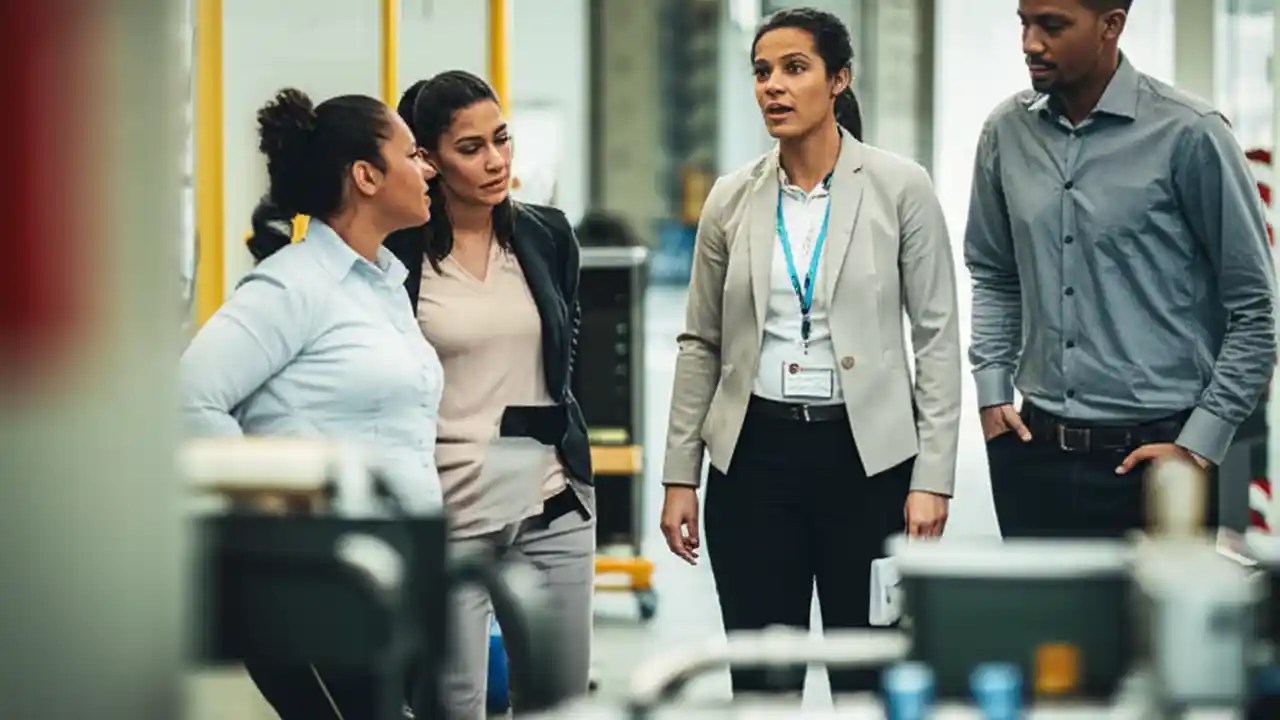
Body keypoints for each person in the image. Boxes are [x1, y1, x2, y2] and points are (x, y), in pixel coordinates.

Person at [659, 7, 961, 696]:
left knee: (870, 675)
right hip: (755, 462)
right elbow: (700, 341)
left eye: (794, 69)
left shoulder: (898, 186)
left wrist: (932, 477)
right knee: (764, 679)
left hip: (870, 463)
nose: (774, 86)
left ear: (838, 79)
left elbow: (937, 336)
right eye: (763, 71)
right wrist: (682, 473)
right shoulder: (732, 198)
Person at [965, 0, 1277, 539]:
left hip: (1160, 463)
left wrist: (1200, 442)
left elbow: (1256, 308)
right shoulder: (1006, 132)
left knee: (1160, 627)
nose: (1030, 43)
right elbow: (994, 273)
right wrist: (993, 392)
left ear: (1111, 24)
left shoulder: (1191, 134)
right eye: (1024, 23)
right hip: (1032, 454)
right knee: (1040, 625)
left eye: (1052, 26)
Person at [179, 88, 440, 718]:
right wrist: (282, 511)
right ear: (366, 176)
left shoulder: (381, 285)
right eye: (412, 153)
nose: (427, 168)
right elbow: (189, 399)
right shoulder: (293, 285)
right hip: (320, 586)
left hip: (389, 578)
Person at [383, 71, 595, 719]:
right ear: (428, 160)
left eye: (501, 139)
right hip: (447, 505)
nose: (497, 160)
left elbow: (561, 345)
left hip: (544, 490)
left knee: (555, 702)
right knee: (454, 703)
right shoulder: (397, 256)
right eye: (471, 148)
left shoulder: (546, 234)